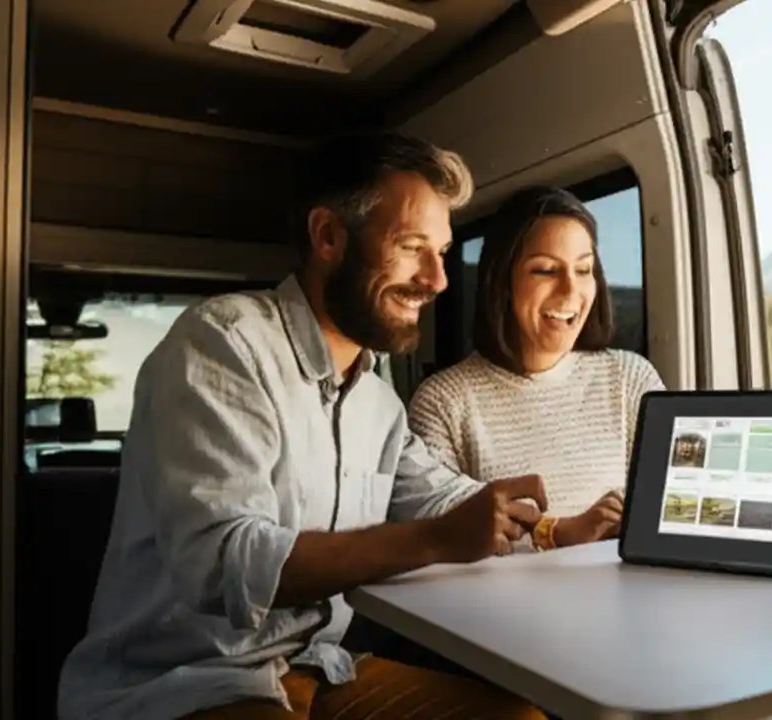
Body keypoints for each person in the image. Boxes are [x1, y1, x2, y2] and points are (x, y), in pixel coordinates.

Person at [56, 131, 551, 720]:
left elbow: (442, 498)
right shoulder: (223, 343)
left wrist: (554, 530)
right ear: (328, 237)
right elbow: (226, 561)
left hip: (314, 665)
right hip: (180, 686)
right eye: (413, 246)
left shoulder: (375, 397)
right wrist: (438, 539)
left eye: (441, 253)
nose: (437, 279)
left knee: (517, 716)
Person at [407, 186, 664, 552]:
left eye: (583, 269)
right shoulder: (443, 401)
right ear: (503, 281)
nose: (570, 291)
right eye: (545, 270)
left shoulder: (631, 379)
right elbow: (435, 534)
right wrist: (558, 532)